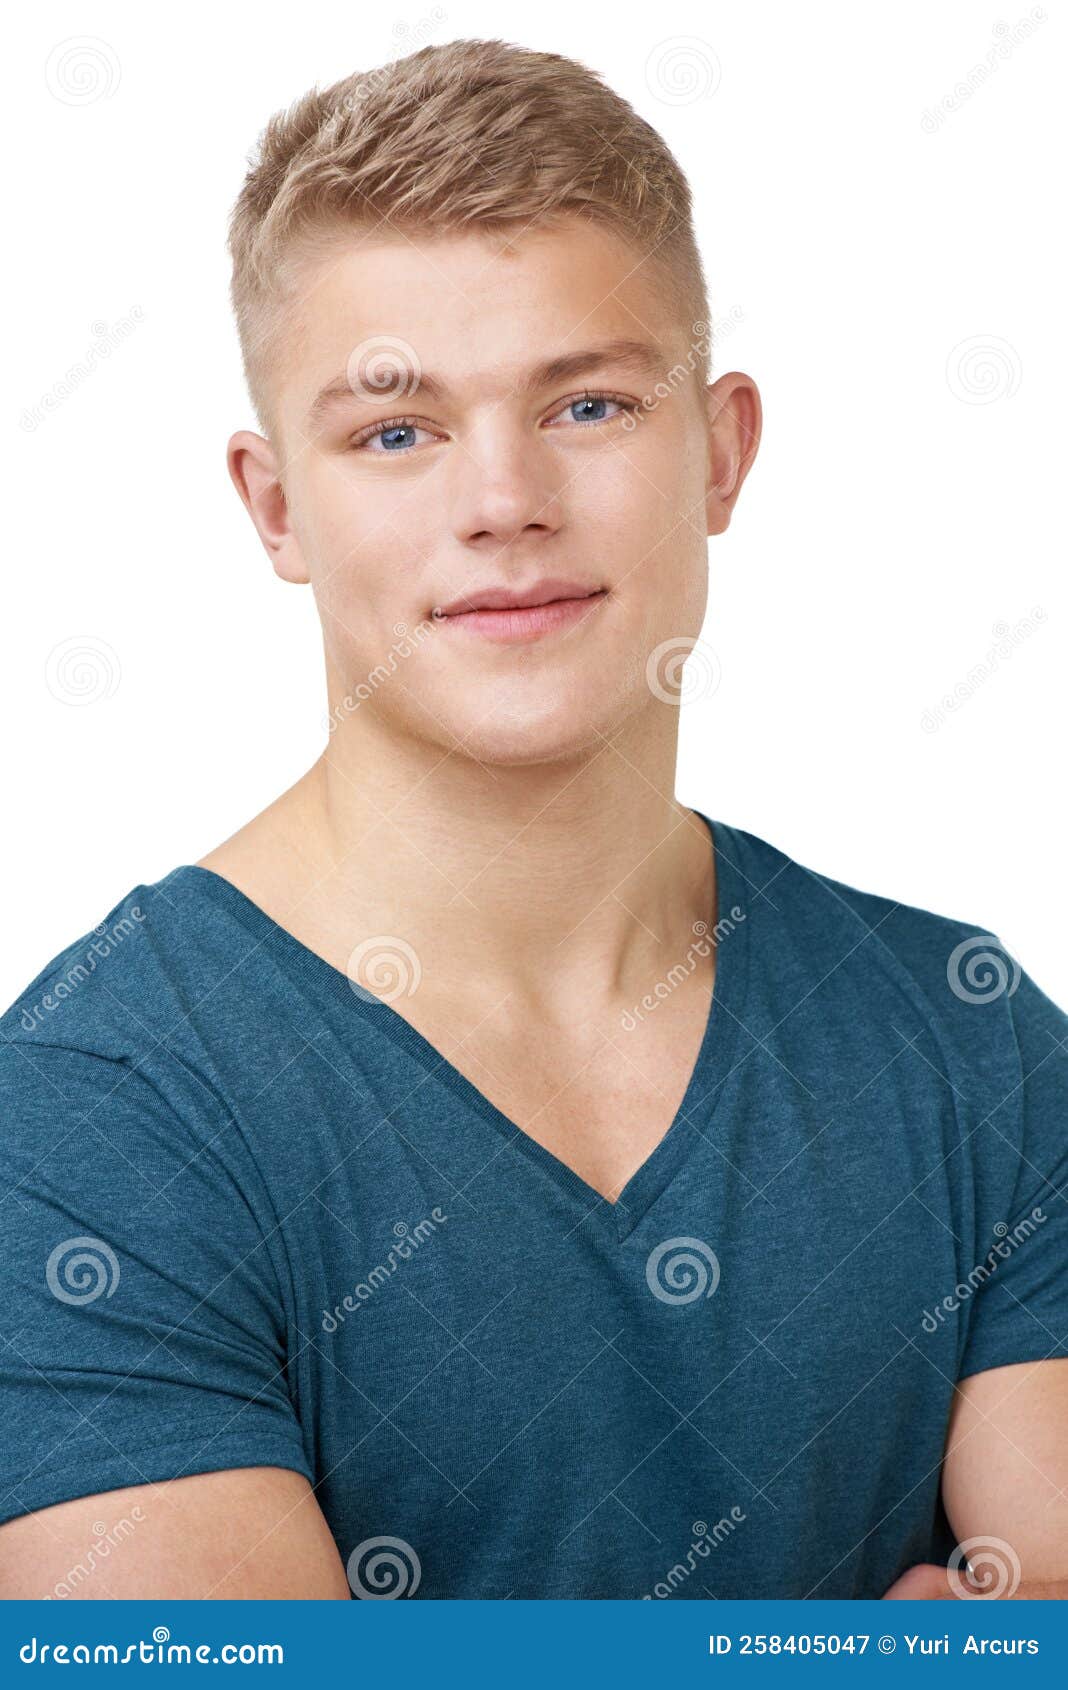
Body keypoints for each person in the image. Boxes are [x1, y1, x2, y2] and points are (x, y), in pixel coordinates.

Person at [1, 37, 1065, 1603]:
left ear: (720, 450)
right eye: (395, 429)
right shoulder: (98, 1109)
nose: (503, 499)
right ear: (275, 505)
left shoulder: (966, 1038)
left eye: (585, 403)